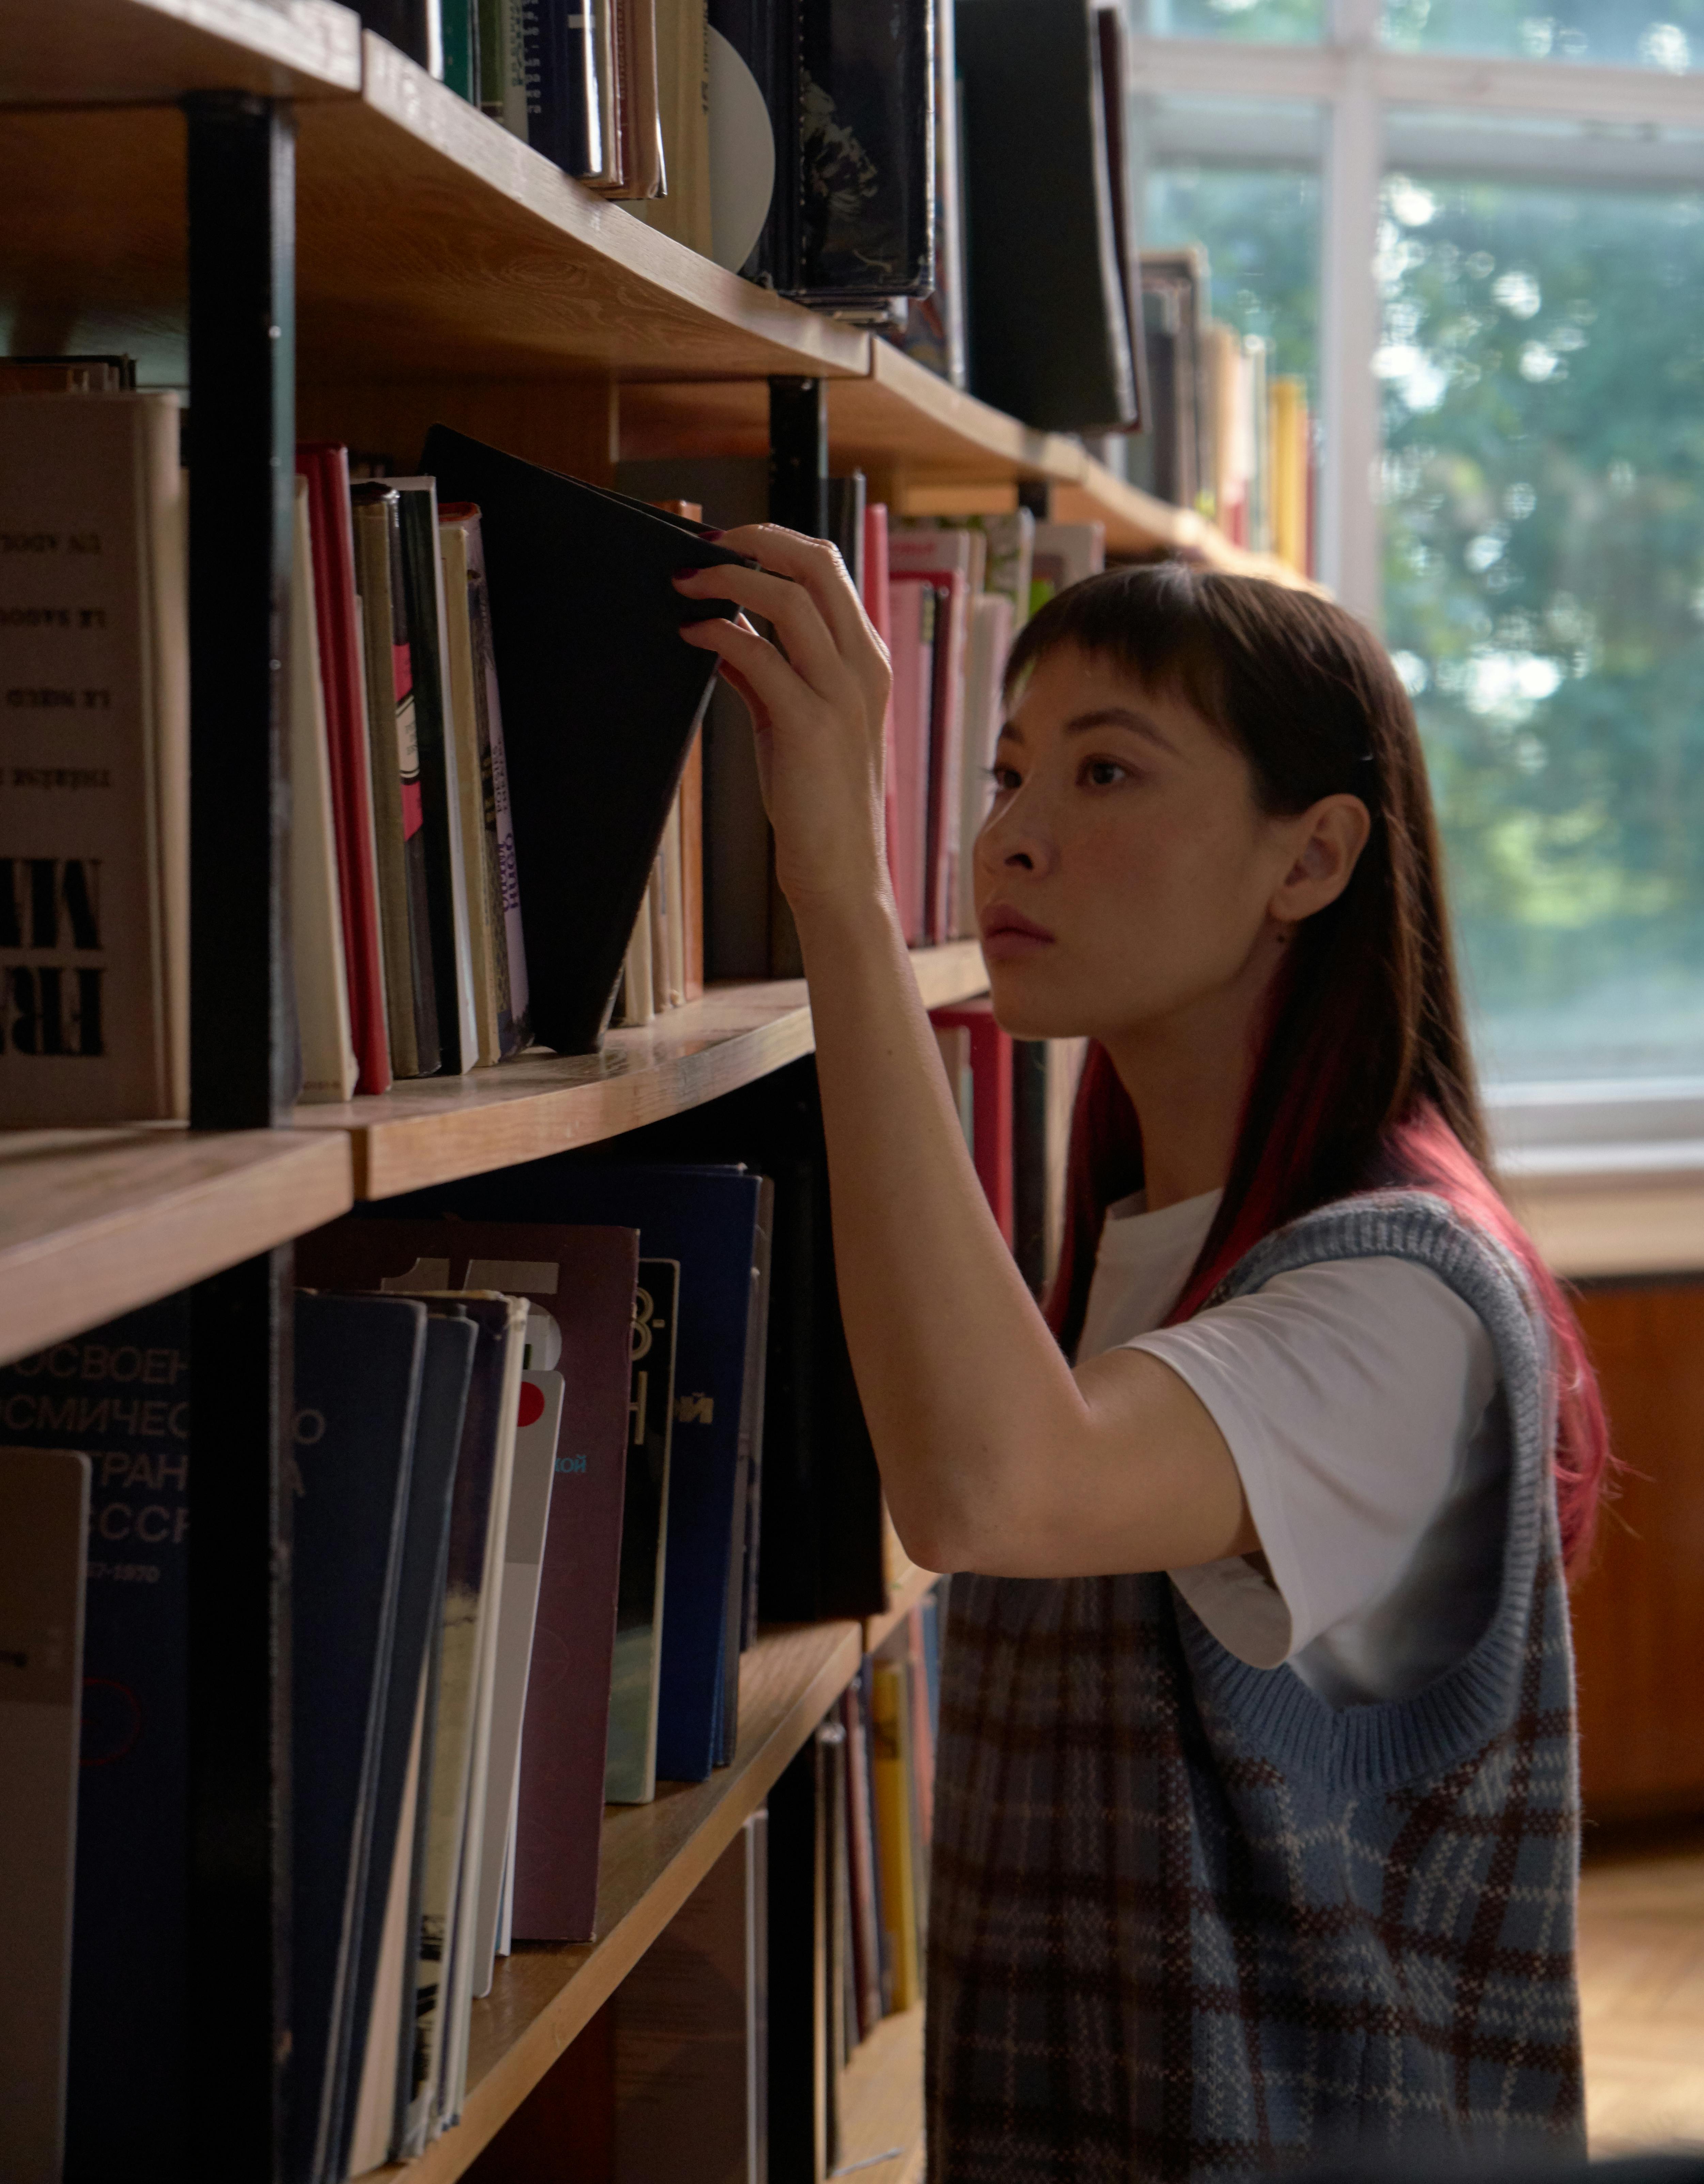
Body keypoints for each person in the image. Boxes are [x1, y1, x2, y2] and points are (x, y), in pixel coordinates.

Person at [675, 540, 1607, 2182]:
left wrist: (843, 894)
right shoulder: (1145, 1245)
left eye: (1106, 772)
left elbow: (987, 1489)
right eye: (1010, 772)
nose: (1011, 835)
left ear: (1311, 859)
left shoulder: (1405, 1302)